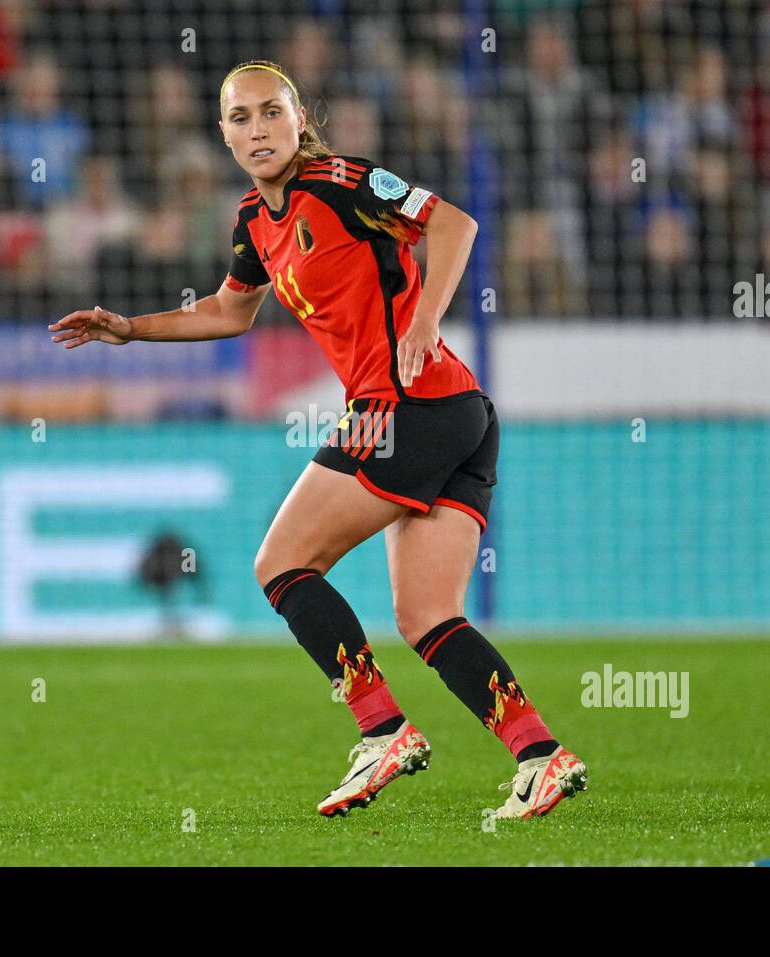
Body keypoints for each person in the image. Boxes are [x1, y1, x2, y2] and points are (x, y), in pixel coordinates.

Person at [49, 60, 587, 819]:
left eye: (272, 112)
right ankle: (540, 755)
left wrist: (428, 316)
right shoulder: (251, 223)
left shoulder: (341, 180)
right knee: (428, 614)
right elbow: (231, 312)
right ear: (224, 134)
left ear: (300, 118)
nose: (258, 129)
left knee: (282, 562)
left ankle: (383, 730)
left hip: (405, 404)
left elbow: (453, 223)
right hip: (455, 412)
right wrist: (130, 328)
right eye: (241, 118)